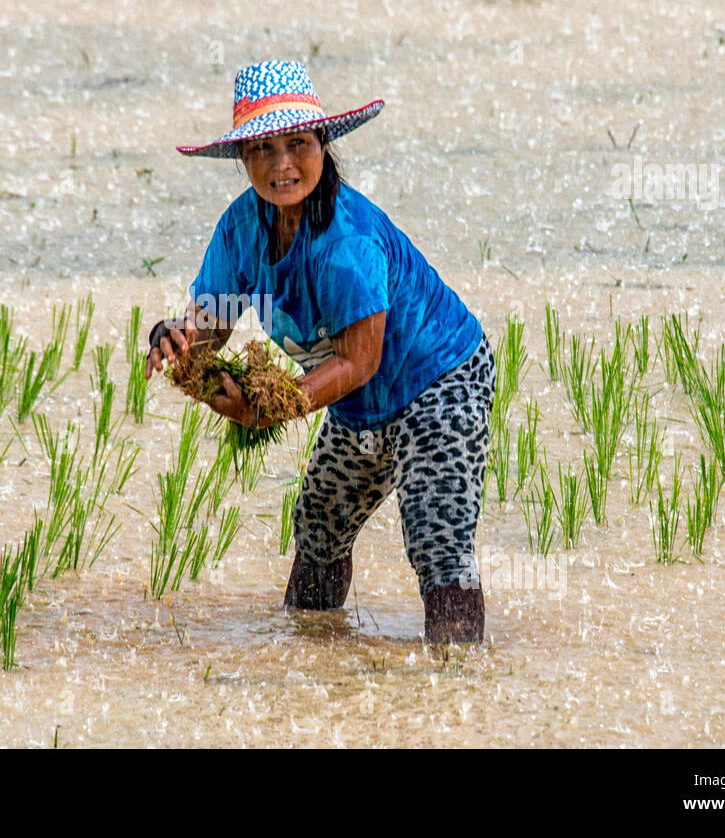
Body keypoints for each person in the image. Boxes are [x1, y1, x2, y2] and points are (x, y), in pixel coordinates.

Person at [144, 60, 495, 644]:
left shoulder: (346, 243)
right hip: (361, 400)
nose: (282, 165)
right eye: (262, 148)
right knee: (317, 529)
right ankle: (312, 658)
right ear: (242, 160)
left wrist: (269, 410)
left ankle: (456, 690)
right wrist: (173, 341)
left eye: (298, 143)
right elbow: (206, 334)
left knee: (437, 541)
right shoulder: (240, 231)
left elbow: (361, 361)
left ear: (323, 145)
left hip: (441, 379)